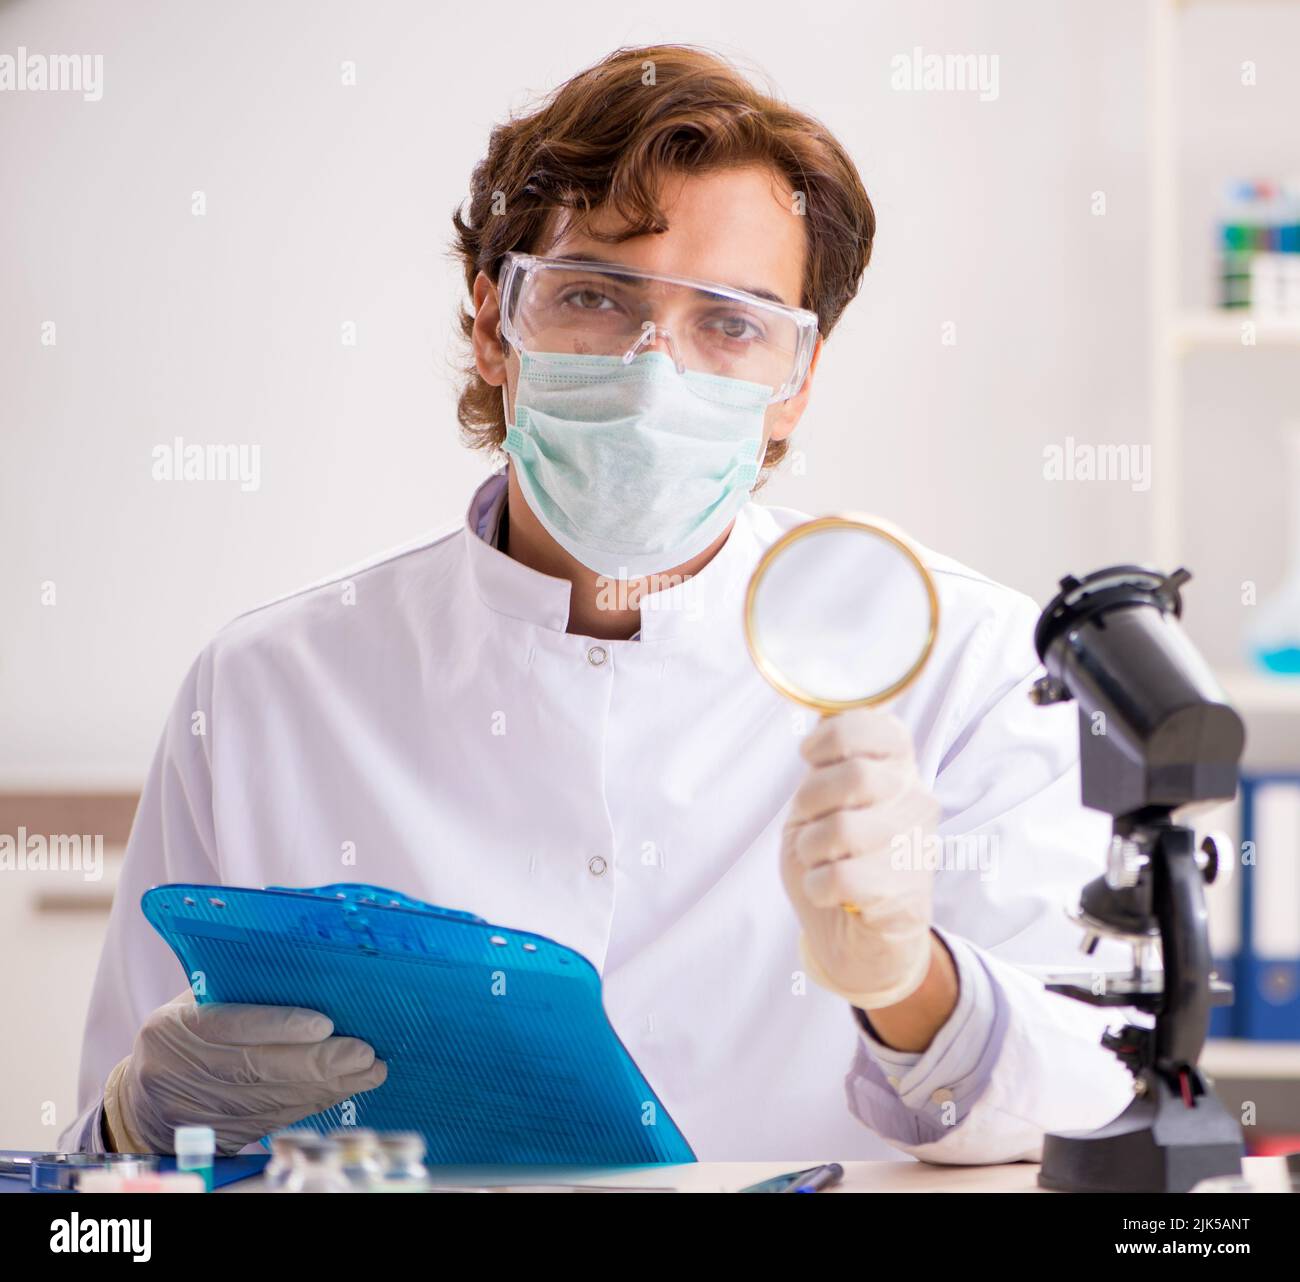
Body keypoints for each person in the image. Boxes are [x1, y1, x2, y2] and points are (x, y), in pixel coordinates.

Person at [61, 44, 1134, 1162]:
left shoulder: (965, 662)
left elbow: (1072, 1116)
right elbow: (93, 1182)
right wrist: (144, 1118)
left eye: (729, 324)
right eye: (592, 296)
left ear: (794, 384)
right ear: (493, 325)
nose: (651, 368)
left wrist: (909, 983)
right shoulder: (266, 688)